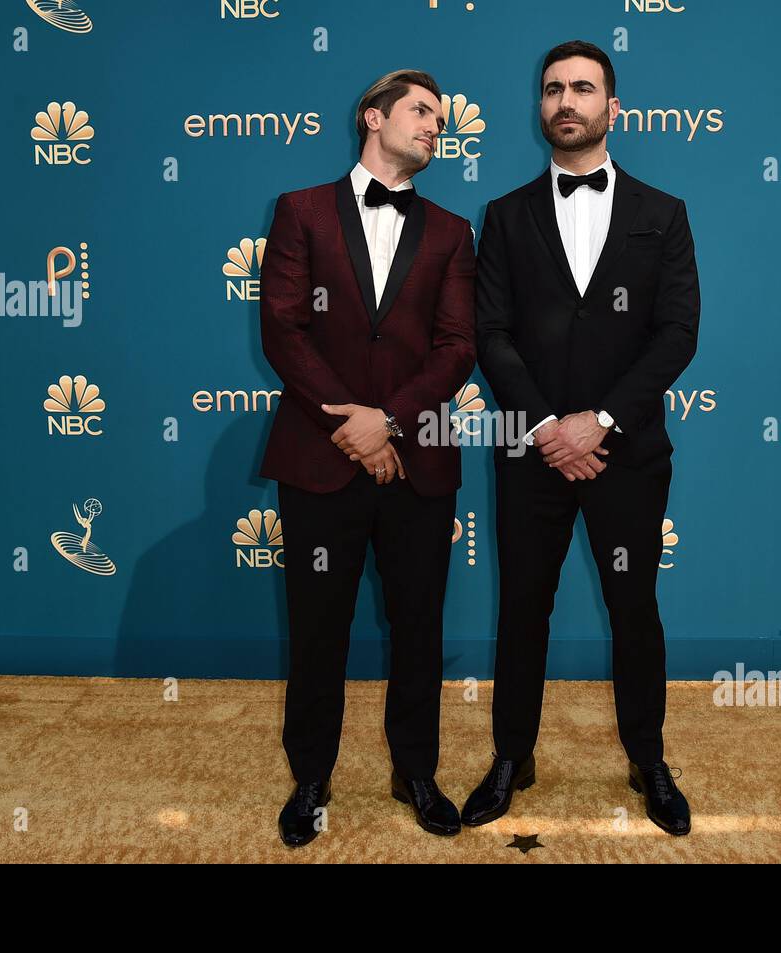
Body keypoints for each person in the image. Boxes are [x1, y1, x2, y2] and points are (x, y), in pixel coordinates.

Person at [465, 40, 701, 835]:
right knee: (523, 608)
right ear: (540, 107)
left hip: (625, 454)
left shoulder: (663, 214)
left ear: (612, 108)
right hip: (532, 454)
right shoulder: (501, 216)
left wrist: (596, 422)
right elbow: (490, 334)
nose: (566, 101)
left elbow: (677, 334)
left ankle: (648, 757)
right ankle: (511, 755)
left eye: (582, 88)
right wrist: (545, 427)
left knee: (636, 608)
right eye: (553, 89)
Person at [256, 69, 476, 847]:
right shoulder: (301, 211)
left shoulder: (453, 231)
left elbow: (457, 348)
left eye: (440, 120)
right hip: (319, 456)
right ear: (371, 117)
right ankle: (310, 777)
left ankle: (416, 769)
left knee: (419, 625)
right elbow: (284, 330)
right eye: (421, 112)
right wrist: (351, 425)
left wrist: (387, 421)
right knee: (318, 626)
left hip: (419, 461)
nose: (434, 127)